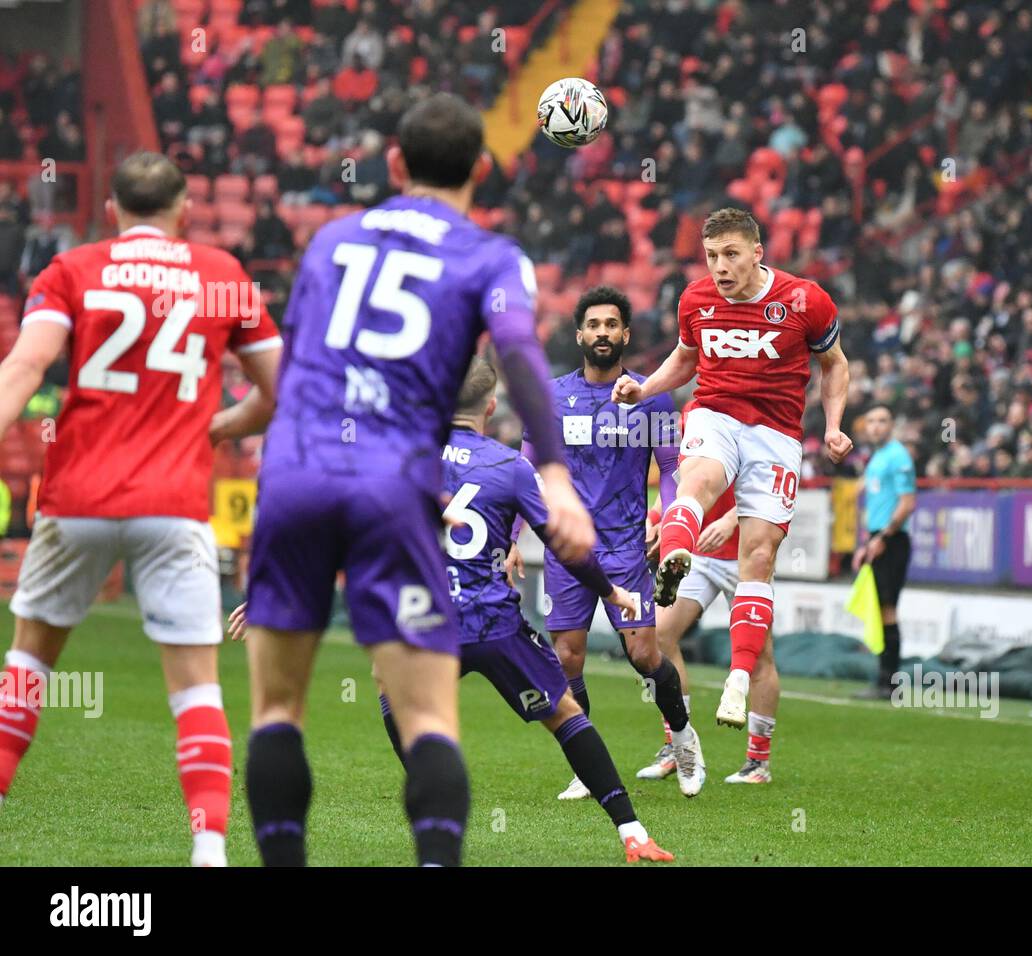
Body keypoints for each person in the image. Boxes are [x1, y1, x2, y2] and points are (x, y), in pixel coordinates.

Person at [239, 93, 595, 868]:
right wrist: (557, 474)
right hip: (391, 481)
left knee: (276, 710)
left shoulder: (330, 239)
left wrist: (231, 429)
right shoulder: (490, 255)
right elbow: (522, 355)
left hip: (296, 472)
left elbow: (289, 371)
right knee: (430, 716)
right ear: (480, 169)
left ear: (394, 165)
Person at [0, 151, 282, 866]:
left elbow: (26, 366)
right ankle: (210, 852)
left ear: (111, 212)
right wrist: (221, 426)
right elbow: (284, 390)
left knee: (28, 663)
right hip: (174, 501)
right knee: (195, 687)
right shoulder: (220, 275)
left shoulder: (73, 270)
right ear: (185, 212)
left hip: (77, 495)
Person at [387, 358, 672, 861]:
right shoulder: (510, 466)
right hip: (493, 623)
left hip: (427, 622)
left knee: (393, 693)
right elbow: (566, 546)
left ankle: (432, 803)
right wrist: (610, 591)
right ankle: (632, 832)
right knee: (565, 716)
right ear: (491, 408)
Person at [612, 207, 851, 729]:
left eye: (731, 255)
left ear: (757, 253)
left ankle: (738, 683)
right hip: (714, 413)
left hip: (777, 433)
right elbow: (686, 358)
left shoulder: (805, 300)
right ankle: (676, 559)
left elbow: (835, 364)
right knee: (695, 481)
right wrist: (644, 387)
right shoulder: (695, 299)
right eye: (712, 256)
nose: (720, 267)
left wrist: (833, 425)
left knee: (758, 557)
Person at [518, 285, 703, 799]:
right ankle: (585, 767)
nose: (602, 333)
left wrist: (669, 519)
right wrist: (512, 538)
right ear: (580, 334)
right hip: (568, 546)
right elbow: (526, 470)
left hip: (625, 545)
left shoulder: (652, 395)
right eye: (593, 325)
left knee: (645, 655)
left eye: (611, 325)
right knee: (568, 658)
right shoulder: (552, 396)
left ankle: (683, 738)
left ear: (625, 334)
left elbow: (670, 467)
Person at [640, 478, 782, 784]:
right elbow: (675, 477)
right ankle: (677, 745)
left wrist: (731, 519)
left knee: (759, 656)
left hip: (748, 551)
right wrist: (655, 518)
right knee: (660, 636)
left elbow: (766, 477)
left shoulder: (760, 427)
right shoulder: (679, 427)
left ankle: (757, 762)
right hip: (700, 550)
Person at [851, 403, 916, 699]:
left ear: (891, 426)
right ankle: (884, 680)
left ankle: (890, 683)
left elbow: (907, 503)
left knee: (887, 609)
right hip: (878, 539)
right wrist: (866, 542)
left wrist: (883, 538)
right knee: (879, 608)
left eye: (883, 421)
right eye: (872, 421)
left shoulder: (898, 456)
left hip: (892, 540)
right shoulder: (876, 457)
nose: (876, 426)